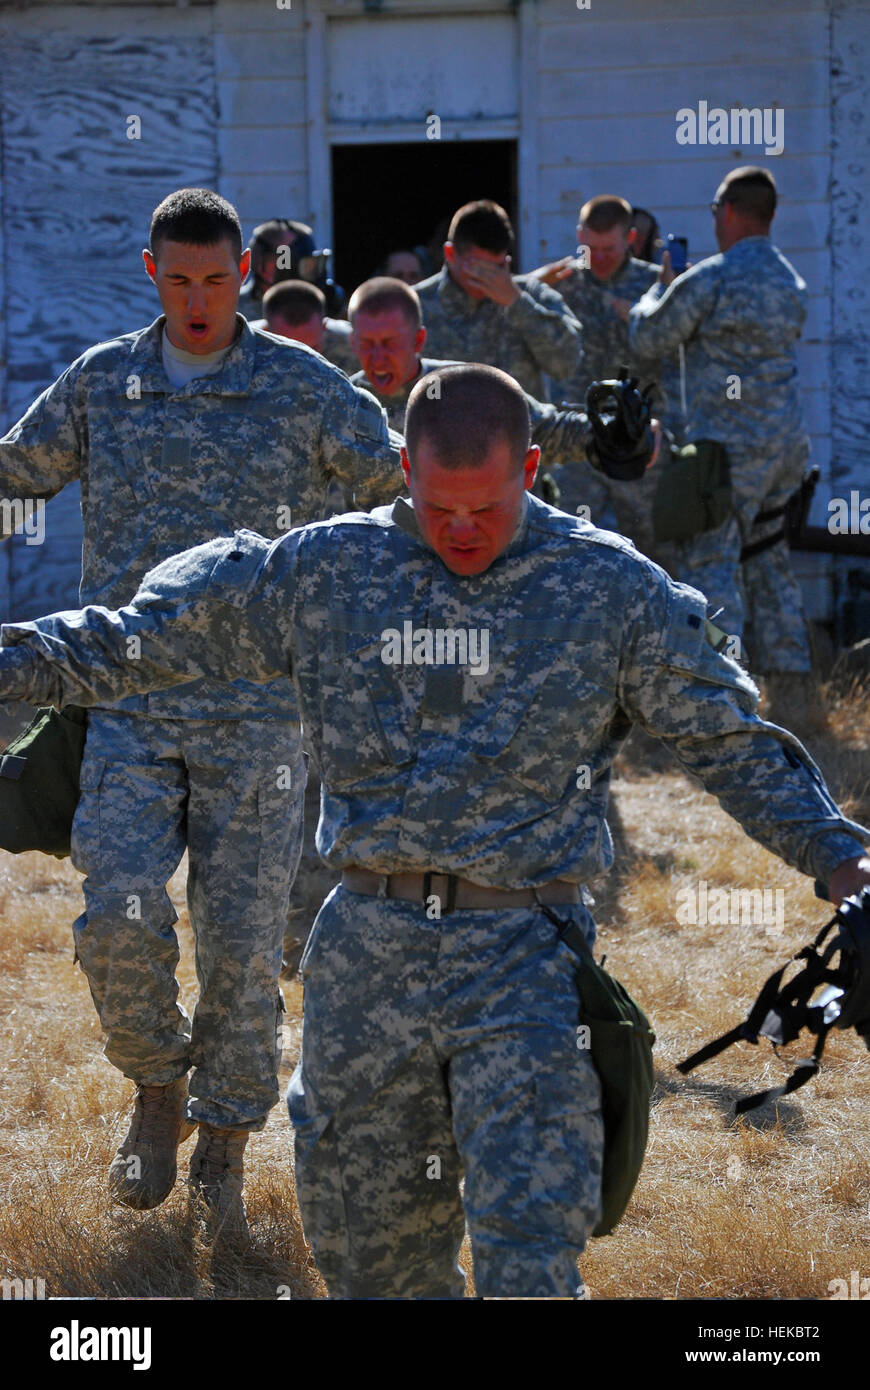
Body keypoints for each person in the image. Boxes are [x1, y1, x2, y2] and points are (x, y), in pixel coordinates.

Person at [1, 363, 866, 1298]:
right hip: (366, 959)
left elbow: (731, 742)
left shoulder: (608, 590)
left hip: (526, 964)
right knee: (373, 1269)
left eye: (485, 509)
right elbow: (140, 640)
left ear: (531, 469)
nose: (460, 531)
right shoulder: (326, 571)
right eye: (437, 505)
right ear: (400, 467)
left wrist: (842, 855)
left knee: (529, 1260)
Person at [0, 187, 398, 1235]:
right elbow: (16, 474)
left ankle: (222, 1140)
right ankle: (155, 1083)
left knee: (242, 944)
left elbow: (403, 491)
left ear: (246, 277)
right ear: (150, 273)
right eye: (178, 280)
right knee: (114, 913)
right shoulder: (105, 382)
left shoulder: (302, 386)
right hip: (130, 699)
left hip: (262, 714)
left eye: (217, 280)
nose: (198, 301)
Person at [628, 166, 815, 711]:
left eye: (715, 212)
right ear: (771, 215)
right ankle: (797, 690)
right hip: (786, 447)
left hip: (727, 453)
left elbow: (648, 338)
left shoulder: (711, 279)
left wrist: (658, 288)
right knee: (769, 557)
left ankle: (723, 692)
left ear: (728, 212)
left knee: (713, 562)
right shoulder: (790, 282)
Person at [346, 275, 638, 478]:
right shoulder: (341, 402)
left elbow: (546, 431)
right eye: (367, 344)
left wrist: (615, 432)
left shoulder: (464, 388)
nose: (378, 357)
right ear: (352, 343)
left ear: (419, 341)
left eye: (389, 343)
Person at [529, 194, 681, 530]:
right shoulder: (563, 281)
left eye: (608, 249)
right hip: (577, 433)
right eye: (590, 248)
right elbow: (509, 297)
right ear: (580, 236)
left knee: (648, 540)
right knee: (575, 538)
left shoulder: (654, 284)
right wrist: (538, 280)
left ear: (630, 239)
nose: (597, 258)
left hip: (640, 432)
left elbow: (681, 347)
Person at [414, 199, 582, 399]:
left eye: (496, 267)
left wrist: (516, 303)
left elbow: (567, 365)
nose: (487, 277)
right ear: (450, 253)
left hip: (516, 428)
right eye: (477, 267)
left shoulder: (529, 294)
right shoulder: (415, 305)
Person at [262, 280, 327, 355]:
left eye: (311, 350)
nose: (302, 360)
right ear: (265, 334)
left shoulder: (342, 344)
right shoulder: (246, 351)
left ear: (324, 328)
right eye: (287, 349)